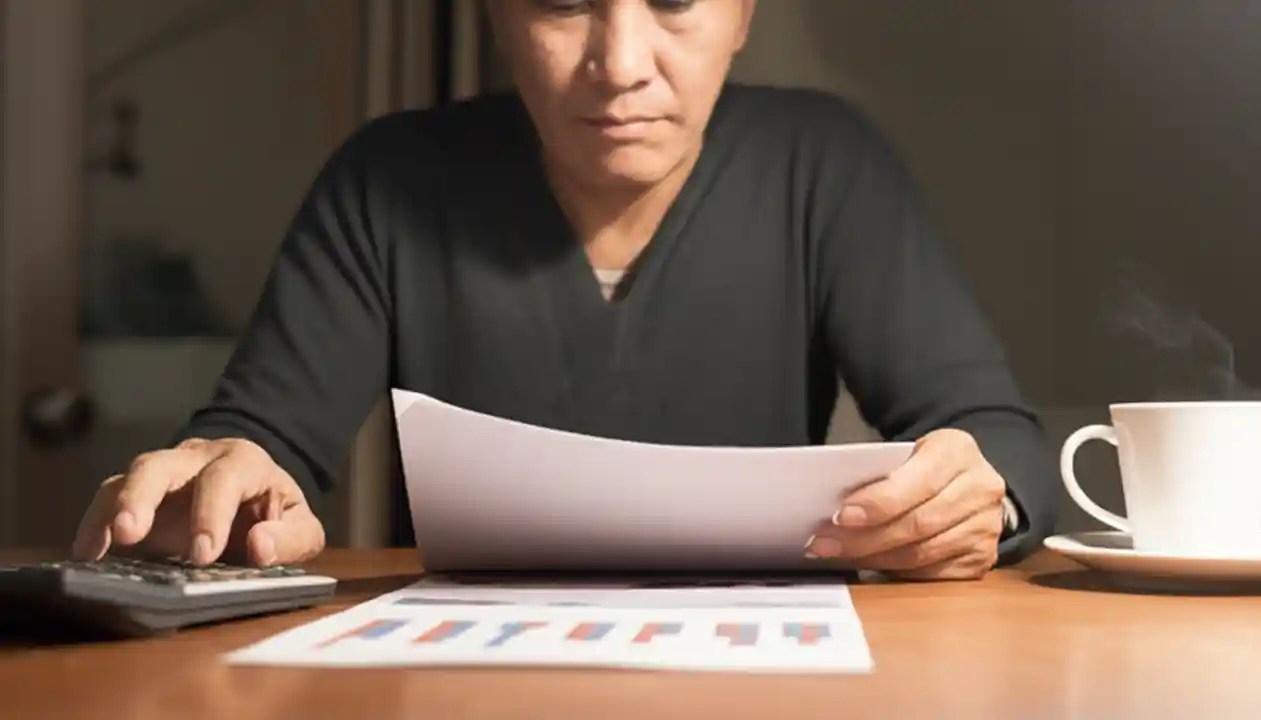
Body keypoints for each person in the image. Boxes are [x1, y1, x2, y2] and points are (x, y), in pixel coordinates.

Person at [71, 0, 1058, 581]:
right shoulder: (391, 180)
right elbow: (263, 440)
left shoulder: (824, 163)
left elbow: (993, 440)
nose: (620, 66)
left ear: (745, 13)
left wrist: (977, 501)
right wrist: (221, 494)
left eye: (673, 0)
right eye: (559, 0)